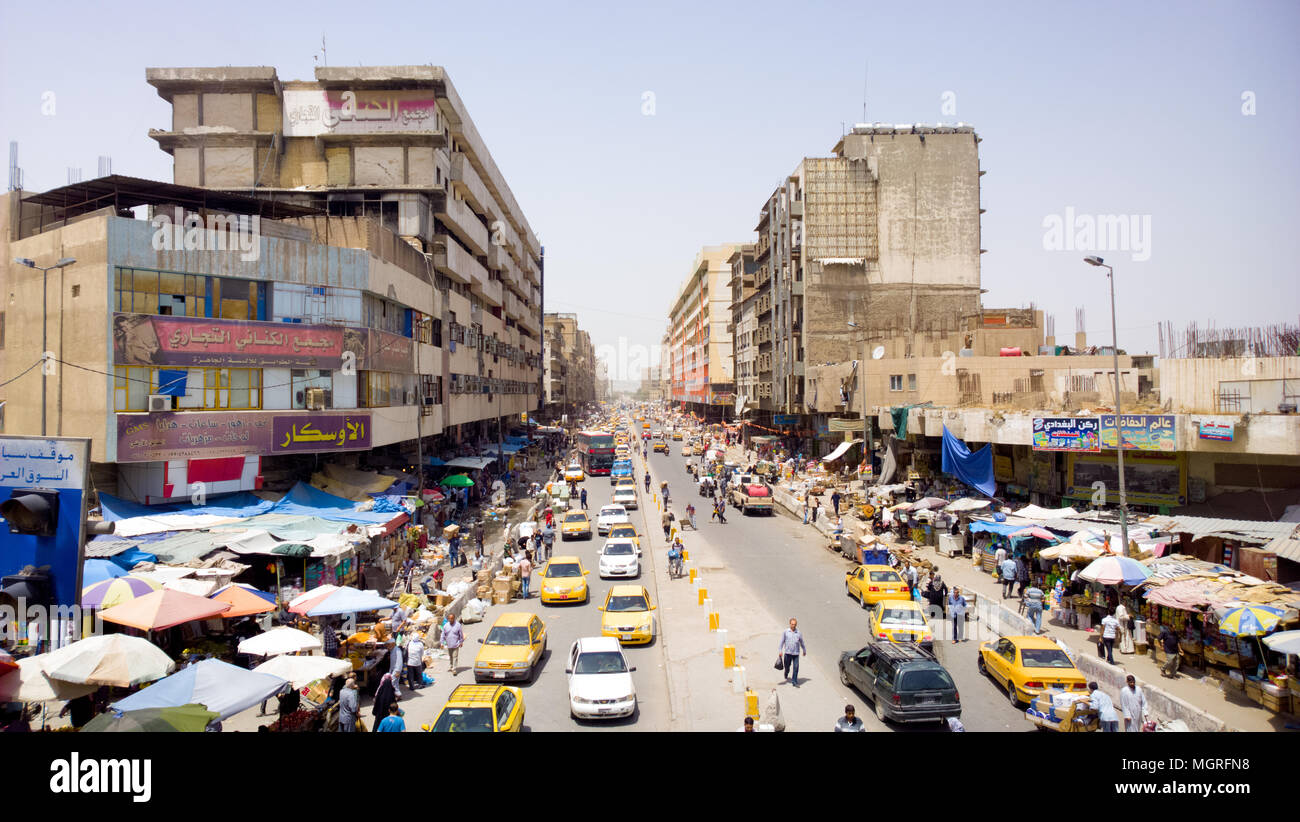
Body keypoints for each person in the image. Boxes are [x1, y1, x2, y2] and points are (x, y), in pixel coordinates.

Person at [779, 618, 807, 687]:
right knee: (787, 666)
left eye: (794, 624)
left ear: (796, 625)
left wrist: (804, 650)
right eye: (792, 624)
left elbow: (802, 642)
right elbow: (781, 642)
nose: (793, 626)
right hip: (787, 653)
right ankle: (786, 672)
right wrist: (780, 651)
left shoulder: (799, 633)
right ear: (790, 624)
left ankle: (794, 681)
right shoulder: (786, 632)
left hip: (796, 653)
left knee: (796, 667)